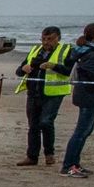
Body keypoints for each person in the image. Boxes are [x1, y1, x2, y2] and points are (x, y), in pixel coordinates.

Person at [60, 22, 94, 179]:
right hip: (88, 96)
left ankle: (75, 164)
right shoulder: (91, 54)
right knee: (81, 131)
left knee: (86, 130)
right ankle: (68, 166)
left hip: (91, 96)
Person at [15, 27, 74, 167]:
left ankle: (49, 154)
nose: (46, 42)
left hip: (53, 93)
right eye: (43, 39)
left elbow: (67, 71)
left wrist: (53, 66)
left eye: (50, 39)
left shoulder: (66, 50)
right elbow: (19, 70)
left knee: (46, 122)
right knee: (33, 126)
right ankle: (32, 157)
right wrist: (24, 69)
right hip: (33, 92)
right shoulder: (35, 50)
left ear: (58, 38)